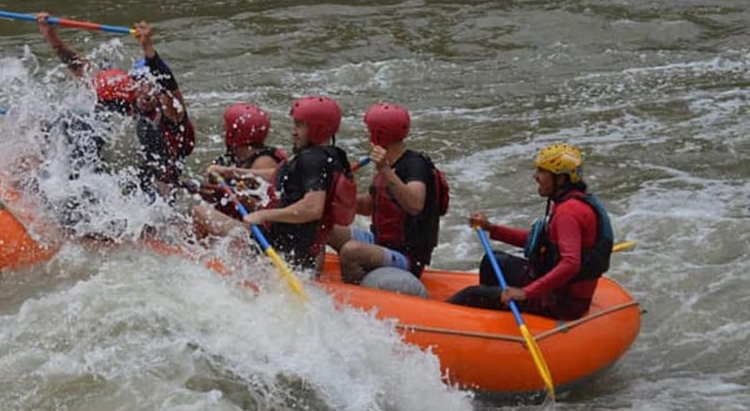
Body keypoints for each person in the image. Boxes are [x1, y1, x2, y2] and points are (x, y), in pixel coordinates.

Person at [447, 143, 614, 320]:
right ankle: (497, 316)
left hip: (562, 301)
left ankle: (480, 317)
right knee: (493, 260)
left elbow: (571, 263)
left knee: (471, 295)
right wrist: (492, 228)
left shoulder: (568, 212)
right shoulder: (571, 202)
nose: (535, 176)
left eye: (542, 171)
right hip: (559, 289)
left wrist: (526, 292)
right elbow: (538, 241)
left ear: (560, 178)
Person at [37, 13, 194, 195]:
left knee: (146, 134)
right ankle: (69, 177)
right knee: (75, 118)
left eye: (153, 85)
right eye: (141, 83)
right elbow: (79, 67)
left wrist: (147, 47)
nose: (147, 90)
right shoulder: (125, 92)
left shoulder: (172, 109)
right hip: (137, 167)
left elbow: (168, 81)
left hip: (163, 175)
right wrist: (52, 37)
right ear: (133, 83)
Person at [192, 96, 353, 272]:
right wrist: (232, 172)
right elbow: (279, 175)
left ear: (318, 129)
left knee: (200, 212)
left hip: (273, 247)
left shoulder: (311, 160)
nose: (293, 131)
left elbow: (312, 208)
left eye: (300, 125)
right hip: (303, 249)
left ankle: (195, 259)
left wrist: (264, 215)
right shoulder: (334, 156)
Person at [330, 103, 441, 284]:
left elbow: (415, 205)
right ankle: (308, 277)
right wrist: (334, 199)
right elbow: (369, 205)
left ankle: (355, 293)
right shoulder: (390, 163)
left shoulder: (416, 165)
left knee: (351, 251)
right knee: (323, 228)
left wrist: (384, 169)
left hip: (407, 256)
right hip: (380, 242)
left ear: (378, 134)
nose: (367, 136)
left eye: (369, 131)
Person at [195, 103, 288, 219]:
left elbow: (275, 178)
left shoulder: (263, 160)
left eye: (226, 128)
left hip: (258, 224)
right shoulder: (233, 158)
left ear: (235, 133)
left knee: (199, 212)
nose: (224, 132)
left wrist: (231, 173)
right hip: (244, 219)